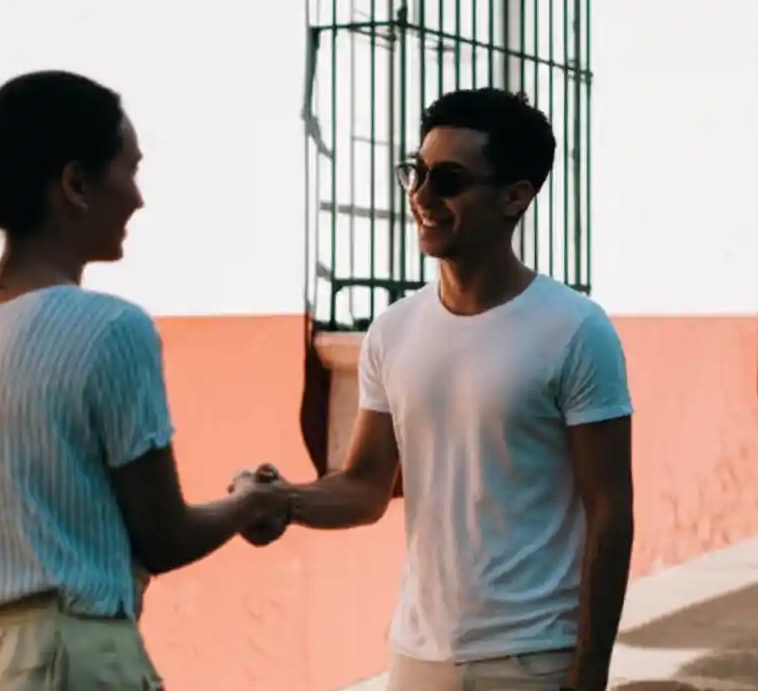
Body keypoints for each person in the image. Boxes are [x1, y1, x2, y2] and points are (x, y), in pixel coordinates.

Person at [0, 70, 287, 690]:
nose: (138, 197)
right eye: (128, 171)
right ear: (76, 184)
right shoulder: (110, 329)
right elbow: (164, 538)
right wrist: (251, 502)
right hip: (70, 661)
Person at [234, 88, 635, 691]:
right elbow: (366, 486)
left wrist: (589, 673)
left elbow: (611, 512)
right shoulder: (394, 330)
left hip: (533, 657)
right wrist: (283, 502)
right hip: (417, 655)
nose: (421, 196)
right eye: (416, 173)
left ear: (514, 196)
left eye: (447, 180)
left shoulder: (576, 330)